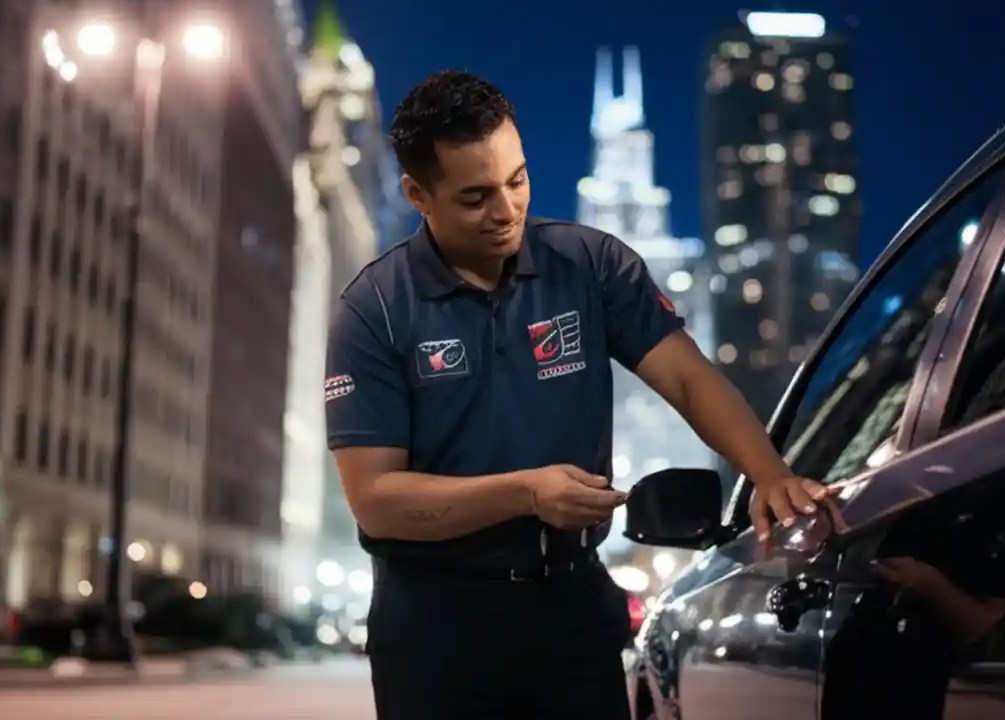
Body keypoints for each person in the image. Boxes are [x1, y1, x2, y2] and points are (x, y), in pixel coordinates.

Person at [325, 69, 826, 720]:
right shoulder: (375, 311)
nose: (507, 210)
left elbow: (686, 377)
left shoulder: (590, 267)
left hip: (570, 608)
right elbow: (376, 502)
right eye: (476, 196)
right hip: (432, 625)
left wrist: (770, 474)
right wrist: (528, 492)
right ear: (418, 194)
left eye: (518, 180)